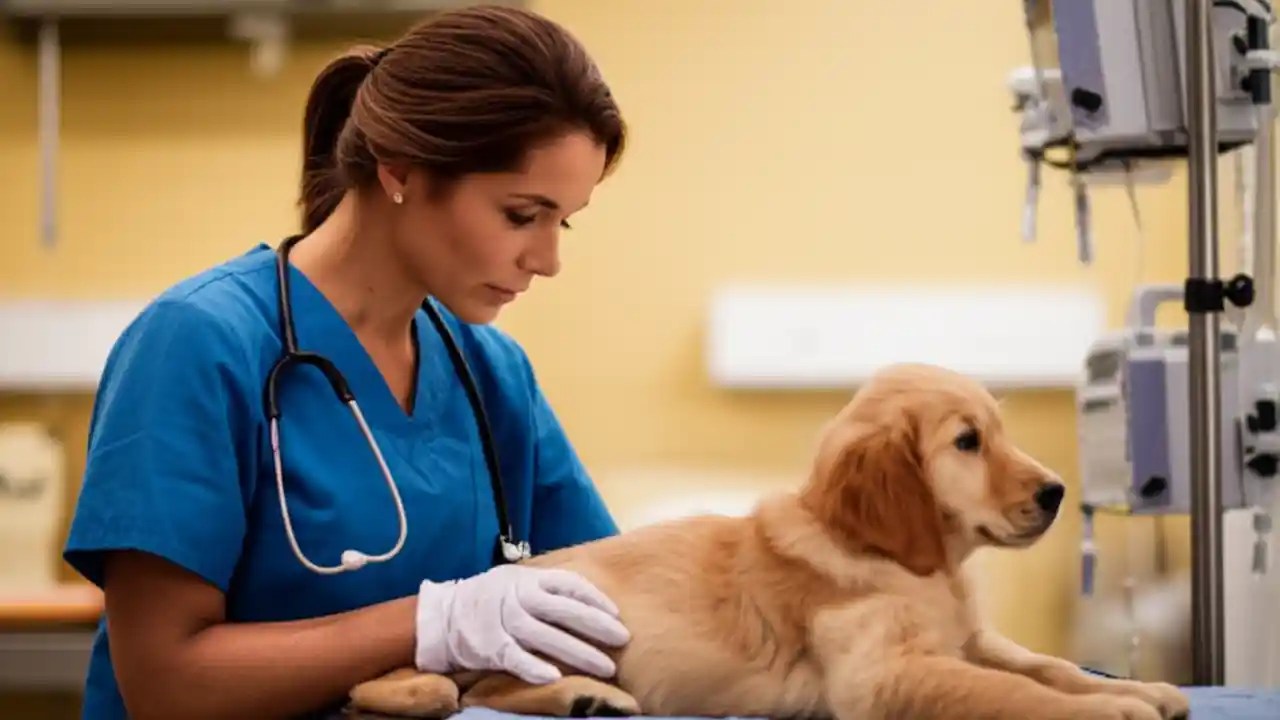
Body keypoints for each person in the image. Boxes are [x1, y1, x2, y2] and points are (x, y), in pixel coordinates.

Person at [61, 6, 633, 719]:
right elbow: (165, 683)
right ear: (400, 169)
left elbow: (612, 603)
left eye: (563, 220)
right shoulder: (199, 344)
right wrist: (433, 624)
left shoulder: (490, 373)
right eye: (521, 215)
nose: (547, 261)